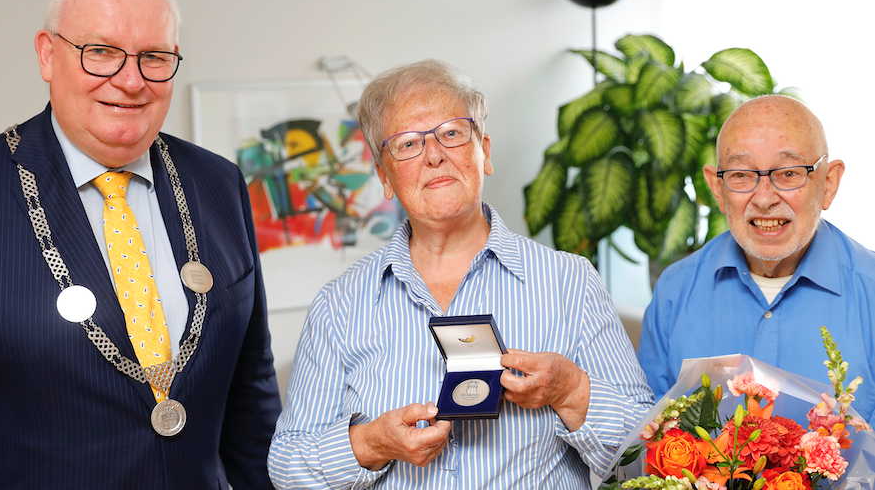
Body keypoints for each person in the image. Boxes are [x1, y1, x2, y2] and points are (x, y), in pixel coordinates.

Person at [267, 59, 653, 489]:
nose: (434, 155)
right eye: (408, 143)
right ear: (384, 176)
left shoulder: (570, 282)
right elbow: (286, 467)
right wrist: (370, 444)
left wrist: (572, 392)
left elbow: (647, 454)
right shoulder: (338, 304)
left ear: (484, 150)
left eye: (451, 133)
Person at [0, 0, 281, 489]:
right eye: (101, 51)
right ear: (47, 54)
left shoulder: (219, 182)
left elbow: (252, 395)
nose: (131, 81)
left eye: (153, 57)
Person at [636, 95, 875, 424]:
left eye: (789, 173)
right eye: (740, 175)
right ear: (717, 188)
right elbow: (646, 434)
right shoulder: (674, 291)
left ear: (829, 183)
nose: (763, 198)